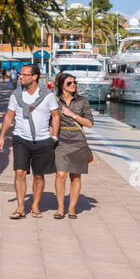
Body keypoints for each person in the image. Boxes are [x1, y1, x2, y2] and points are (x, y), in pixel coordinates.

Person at [0, 62, 60, 219]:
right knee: (20, 173)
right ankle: (20, 207)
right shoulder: (16, 95)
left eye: (24, 74)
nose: (20, 77)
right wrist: (1, 136)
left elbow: (55, 115)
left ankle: (35, 206)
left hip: (43, 140)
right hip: (21, 139)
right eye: (20, 74)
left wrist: (55, 136)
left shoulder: (48, 95)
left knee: (38, 175)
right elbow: (9, 116)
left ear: (35, 77)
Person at [52, 71, 94, 219]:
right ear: (61, 85)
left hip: (78, 141)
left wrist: (73, 115)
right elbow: (49, 120)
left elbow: (89, 124)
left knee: (75, 177)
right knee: (61, 174)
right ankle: (60, 208)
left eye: (75, 82)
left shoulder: (82, 101)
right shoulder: (55, 100)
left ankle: (71, 209)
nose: (73, 85)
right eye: (69, 83)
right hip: (61, 141)